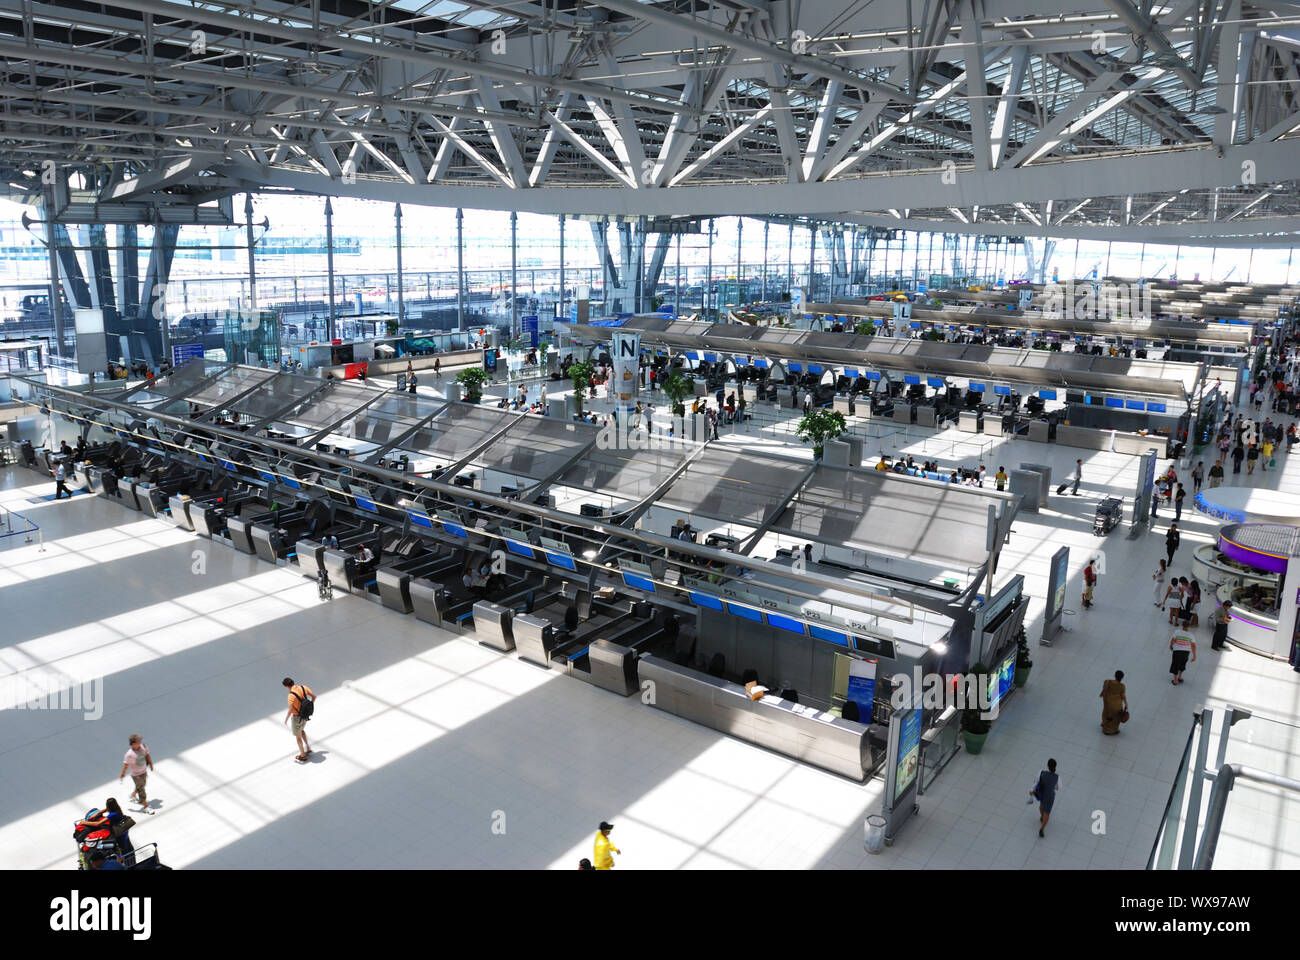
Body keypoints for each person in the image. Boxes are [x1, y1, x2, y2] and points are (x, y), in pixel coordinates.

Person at [282, 677, 316, 762]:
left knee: (298, 737)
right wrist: (310, 705)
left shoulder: (291, 695)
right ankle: (308, 747)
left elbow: (290, 709)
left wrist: (286, 718)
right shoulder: (303, 687)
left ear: (286, 686)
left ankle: (303, 756)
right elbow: (314, 696)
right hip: (305, 715)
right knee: (302, 730)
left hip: (297, 717)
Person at [118, 734, 154, 813]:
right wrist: (122, 774)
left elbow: (147, 755)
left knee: (141, 785)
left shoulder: (143, 746)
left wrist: (150, 764)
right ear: (133, 743)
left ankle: (133, 795)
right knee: (142, 790)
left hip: (144, 771)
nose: (140, 742)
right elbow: (126, 765)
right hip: (136, 775)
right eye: (138, 741)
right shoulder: (129, 754)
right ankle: (145, 806)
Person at [1030, 759, 1059, 838]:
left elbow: (1036, 782)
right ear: (1055, 767)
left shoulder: (1041, 773)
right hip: (1050, 797)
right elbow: (1057, 787)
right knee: (1047, 813)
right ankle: (1042, 828)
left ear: (1047, 765)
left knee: (1041, 807)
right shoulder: (1057, 777)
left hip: (1042, 794)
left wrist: (1031, 790)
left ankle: (1042, 817)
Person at [1100, 670, 1127, 735]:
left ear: (1115, 675)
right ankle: (1113, 730)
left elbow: (1104, 689)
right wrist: (1126, 703)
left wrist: (1102, 694)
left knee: (1106, 714)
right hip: (1116, 704)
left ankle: (1105, 728)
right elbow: (1123, 696)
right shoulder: (1122, 686)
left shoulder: (1107, 682)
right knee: (1115, 717)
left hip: (1107, 702)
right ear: (1122, 678)